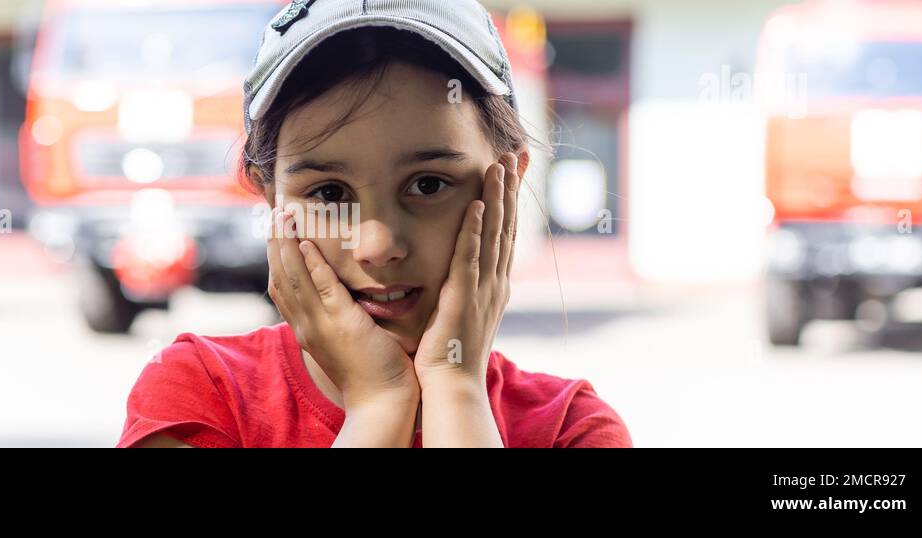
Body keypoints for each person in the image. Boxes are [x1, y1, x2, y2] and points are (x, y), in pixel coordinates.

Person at [118, 0, 631, 448]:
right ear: (270, 194)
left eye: (429, 185)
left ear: (508, 182)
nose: (377, 245)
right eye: (330, 193)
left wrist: (455, 387)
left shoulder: (570, 428)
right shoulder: (198, 396)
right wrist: (379, 406)